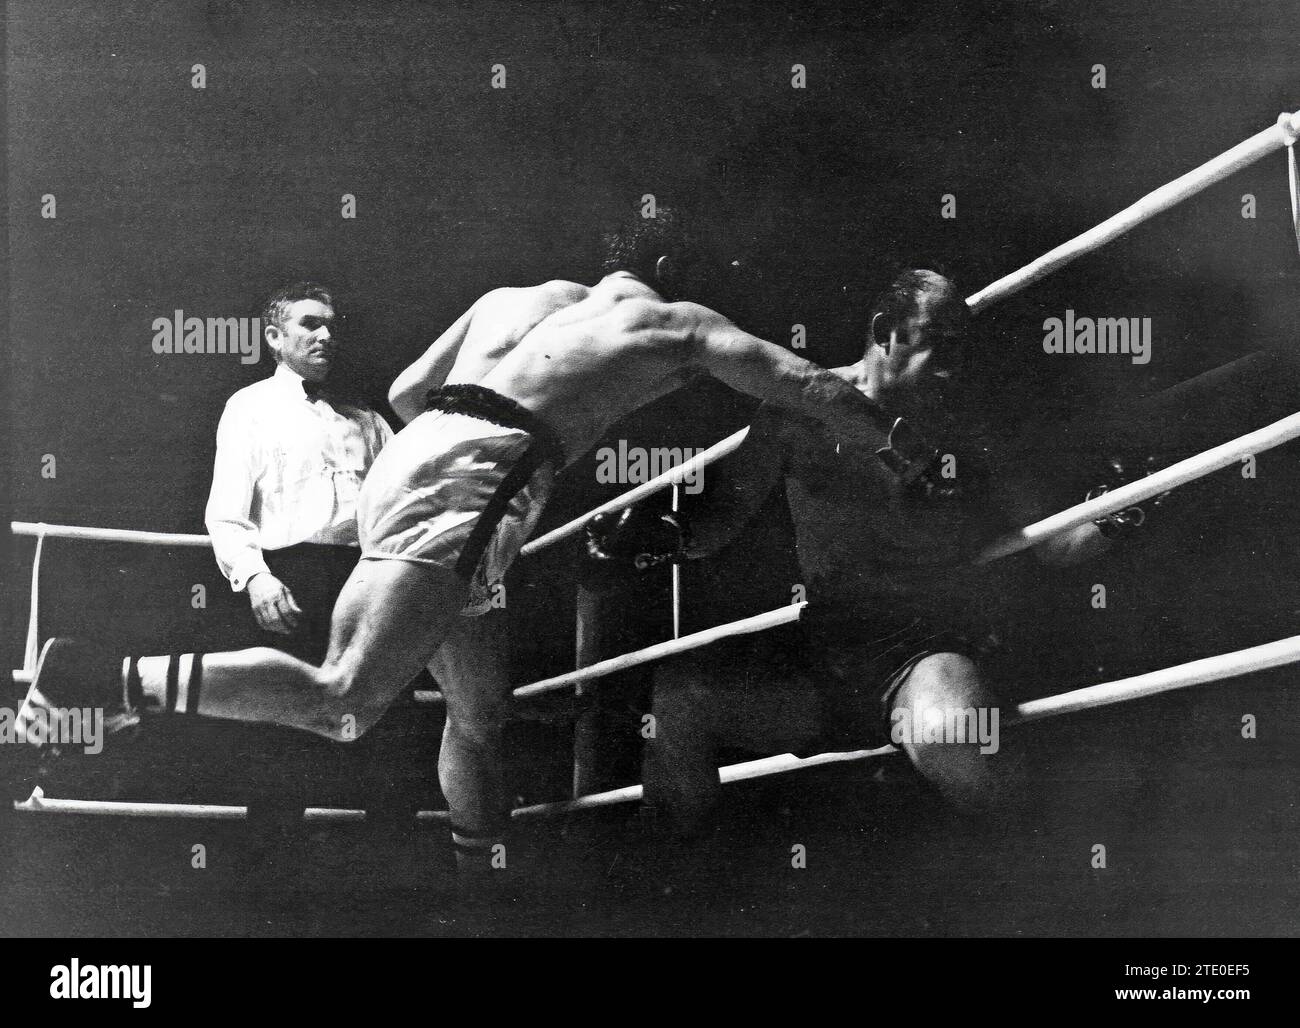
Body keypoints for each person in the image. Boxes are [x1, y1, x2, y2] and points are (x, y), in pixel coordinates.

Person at [17, 218, 957, 879]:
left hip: (420, 460)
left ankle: (478, 881)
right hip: (473, 484)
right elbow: (807, 385)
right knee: (346, 700)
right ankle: (105, 676)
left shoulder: (520, 299)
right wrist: (898, 442)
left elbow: (404, 389)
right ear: (677, 275)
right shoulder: (676, 325)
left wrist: (460, 476)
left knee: (480, 709)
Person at [588, 268, 1141, 835]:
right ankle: (669, 880)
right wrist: (661, 536)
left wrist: (1121, 513)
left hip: (921, 647)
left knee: (962, 742)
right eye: (938, 346)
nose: (953, 367)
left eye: (962, 350)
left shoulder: (967, 428)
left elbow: (1051, 544)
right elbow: (726, 515)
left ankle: (1044, 876)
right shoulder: (796, 409)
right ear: (884, 330)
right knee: (681, 696)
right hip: (825, 647)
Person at [206, 281, 393, 661]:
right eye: (310, 324)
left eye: (331, 327)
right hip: (291, 577)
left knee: (379, 701)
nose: (325, 336)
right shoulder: (249, 406)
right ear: (274, 337)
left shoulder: (366, 417)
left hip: (368, 577)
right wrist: (255, 577)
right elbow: (226, 512)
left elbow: (400, 499)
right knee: (292, 702)